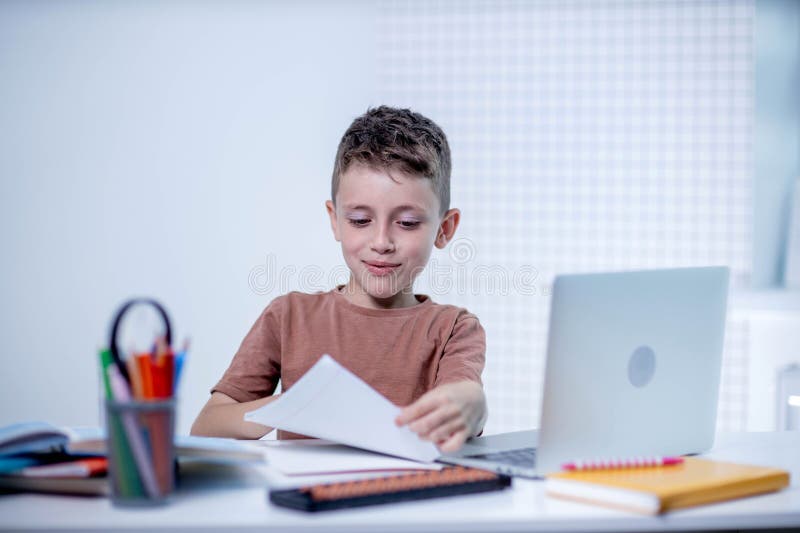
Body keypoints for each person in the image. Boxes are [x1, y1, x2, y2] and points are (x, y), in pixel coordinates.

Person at [191, 106, 487, 452]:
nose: (381, 242)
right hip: (309, 502)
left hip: (407, 501)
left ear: (444, 228)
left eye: (406, 223)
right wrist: (294, 408)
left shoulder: (453, 328)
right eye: (360, 220)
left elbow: (467, 397)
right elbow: (207, 426)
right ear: (335, 220)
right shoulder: (289, 317)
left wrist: (472, 405)